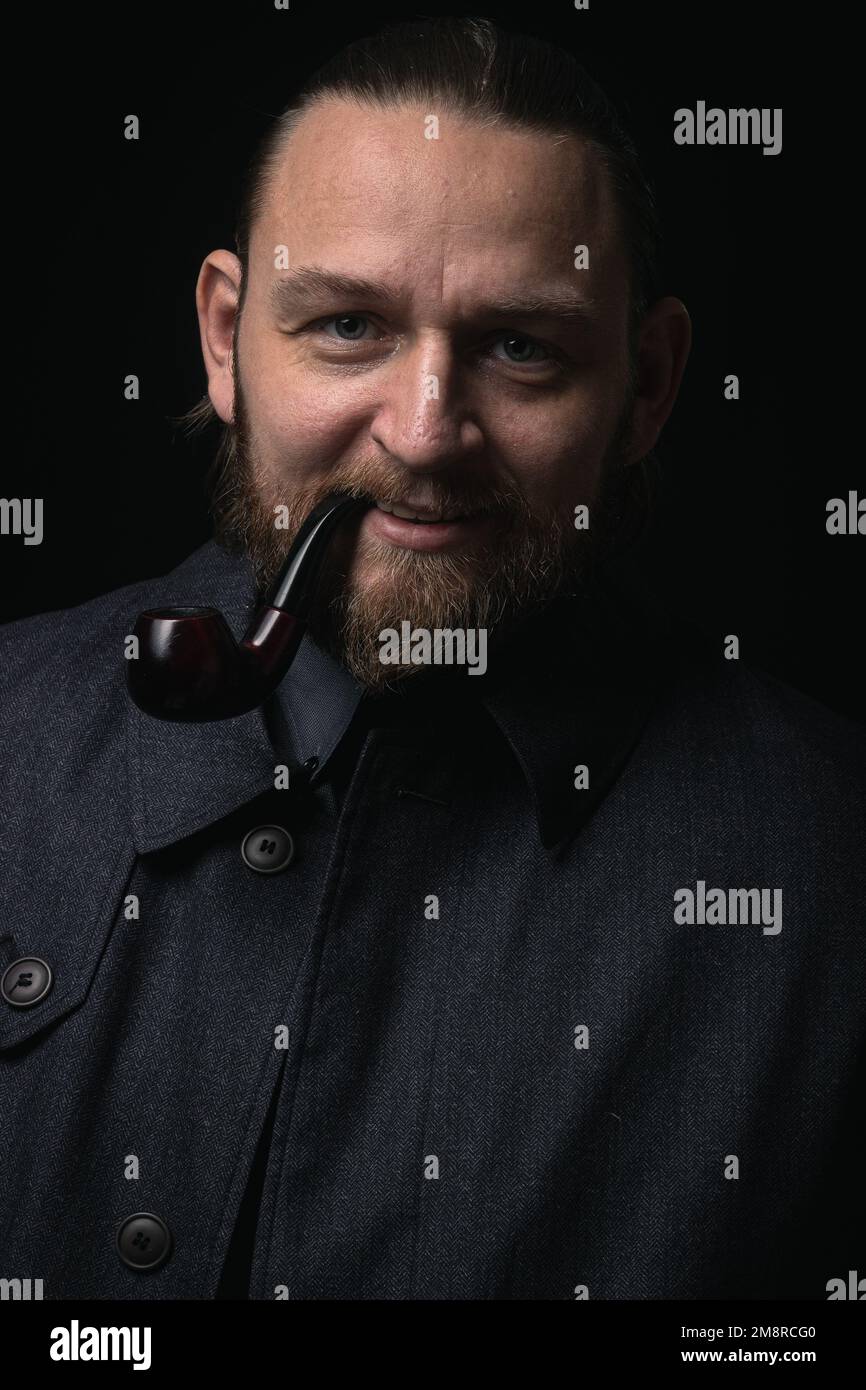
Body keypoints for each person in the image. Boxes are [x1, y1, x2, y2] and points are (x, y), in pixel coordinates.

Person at [1, 17, 862, 1302]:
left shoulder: (832, 865)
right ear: (225, 338)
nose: (422, 433)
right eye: (346, 325)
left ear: (646, 384)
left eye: (521, 346)